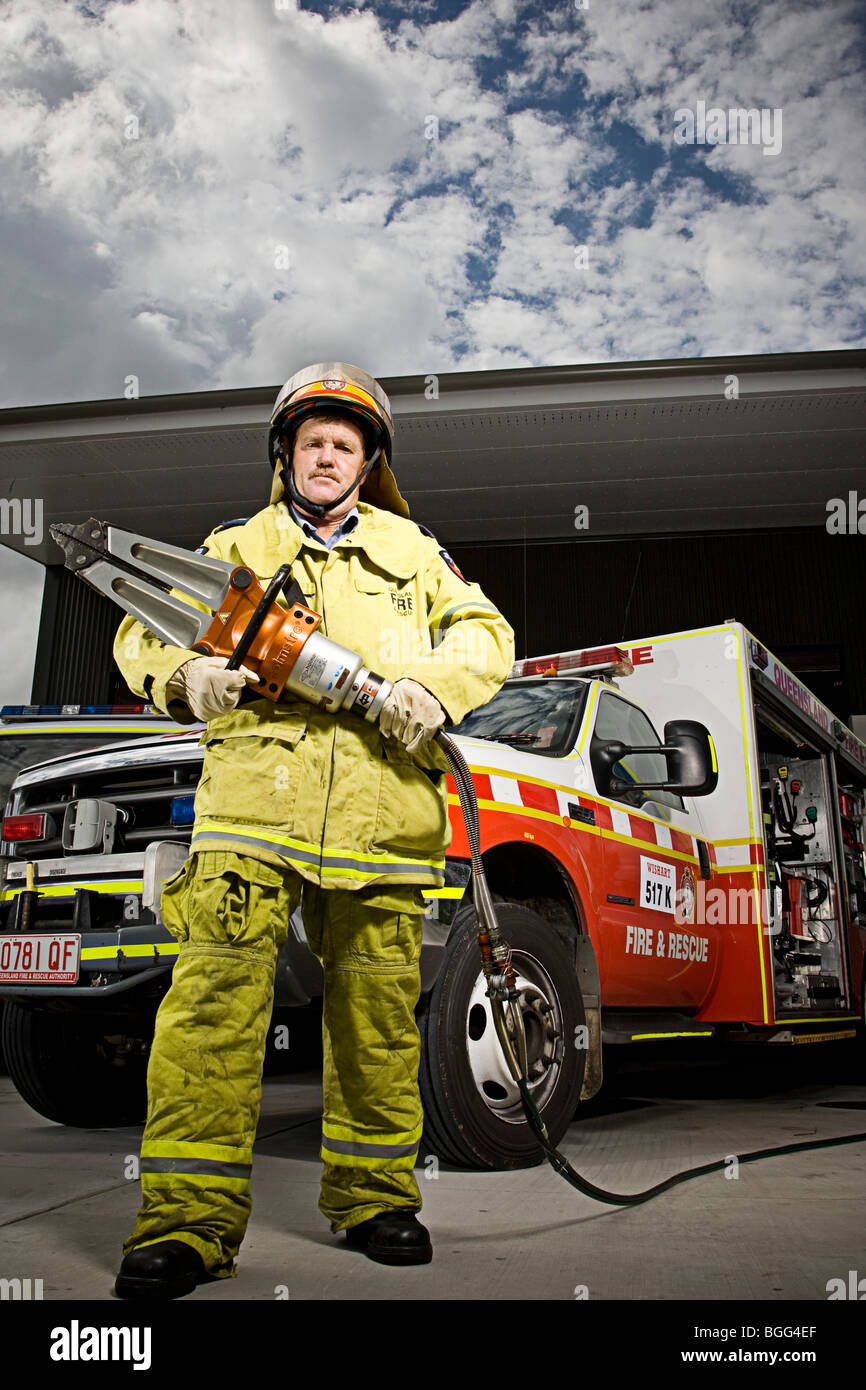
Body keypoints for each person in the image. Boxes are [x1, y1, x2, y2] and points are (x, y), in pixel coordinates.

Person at [112, 361, 515, 1298]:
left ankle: (376, 1200)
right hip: (255, 808)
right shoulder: (235, 545)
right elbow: (142, 629)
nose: (326, 457)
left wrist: (429, 688)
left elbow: (486, 637)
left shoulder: (414, 551)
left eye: (344, 445)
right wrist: (185, 677)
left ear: (369, 463)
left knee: (376, 1017)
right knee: (211, 1009)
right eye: (311, 442)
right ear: (284, 455)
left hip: (382, 814)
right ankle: (185, 1225)